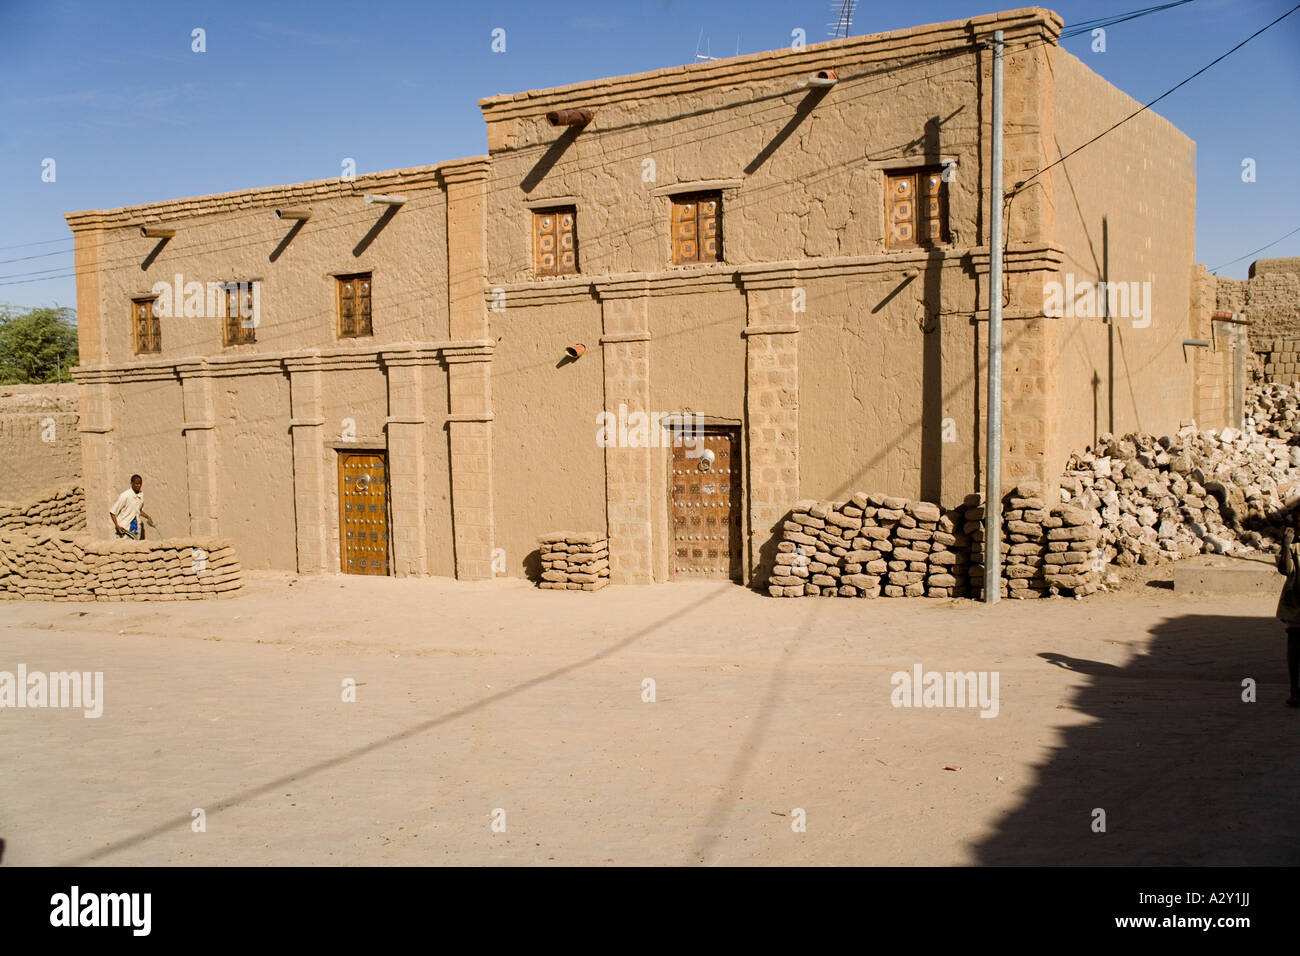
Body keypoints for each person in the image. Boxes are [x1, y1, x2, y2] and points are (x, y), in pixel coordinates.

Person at [1275, 522, 1300, 707]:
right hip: (1296, 604)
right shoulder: (1295, 548)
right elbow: (1285, 569)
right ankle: (1294, 691)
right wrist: (1286, 547)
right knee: (1294, 647)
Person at [109, 474, 155, 540]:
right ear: (131, 483)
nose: (138, 486)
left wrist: (148, 517)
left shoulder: (141, 495)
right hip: (124, 530)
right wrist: (117, 526)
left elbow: (139, 511)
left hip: (136, 530)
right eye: (136, 484)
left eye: (140, 484)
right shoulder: (125, 496)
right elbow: (112, 512)